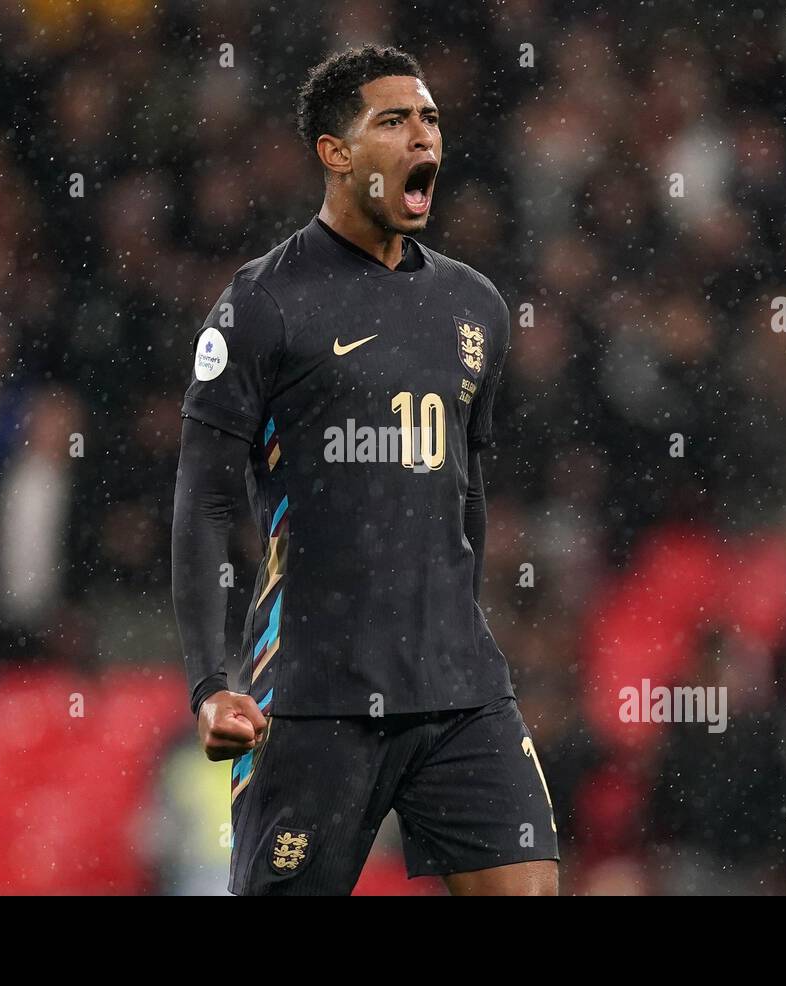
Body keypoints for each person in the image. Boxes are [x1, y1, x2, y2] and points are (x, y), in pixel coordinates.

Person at [171, 44, 558, 896]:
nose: (423, 136)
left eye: (430, 119)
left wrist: (456, 618)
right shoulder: (261, 305)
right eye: (394, 120)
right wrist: (208, 684)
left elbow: (469, 492)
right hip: (315, 695)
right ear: (334, 152)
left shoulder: (476, 306)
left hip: (459, 690)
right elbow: (202, 504)